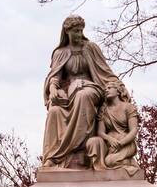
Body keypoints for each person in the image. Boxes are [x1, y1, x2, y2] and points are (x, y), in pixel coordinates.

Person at [41, 15, 120, 168]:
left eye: (80, 31)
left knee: (83, 96)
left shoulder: (90, 48)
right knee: (55, 111)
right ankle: (54, 157)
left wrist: (116, 86)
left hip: (92, 88)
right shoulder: (60, 53)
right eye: (75, 31)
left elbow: (104, 72)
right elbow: (54, 76)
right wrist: (52, 89)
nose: (78, 34)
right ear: (67, 31)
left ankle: (75, 150)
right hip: (69, 92)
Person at [87, 78, 140, 176]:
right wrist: (110, 139)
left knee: (109, 161)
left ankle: (128, 163)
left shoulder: (128, 107)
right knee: (92, 141)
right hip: (109, 144)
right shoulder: (104, 110)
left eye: (110, 88)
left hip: (126, 142)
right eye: (105, 89)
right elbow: (100, 132)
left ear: (118, 91)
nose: (106, 90)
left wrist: (121, 143)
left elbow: (133, 130)